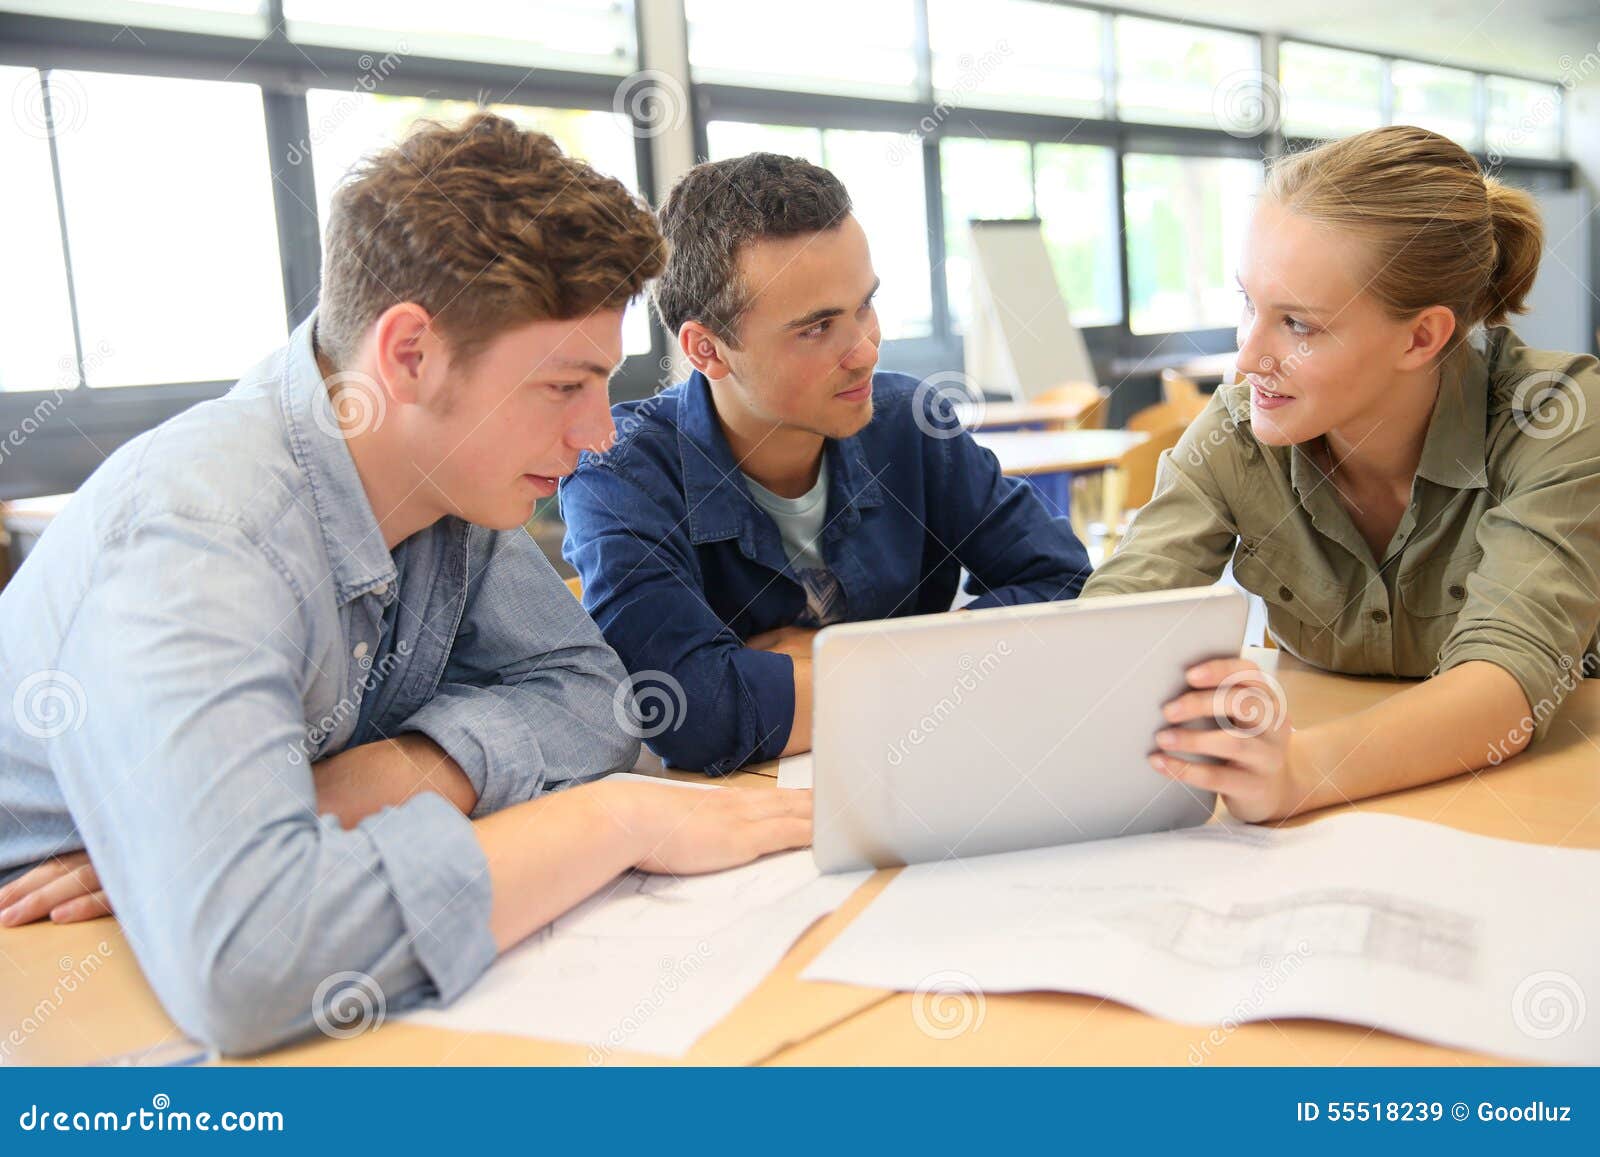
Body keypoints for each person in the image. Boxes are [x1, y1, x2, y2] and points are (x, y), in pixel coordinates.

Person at [0, 114, 810, 1054]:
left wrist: (363, 786)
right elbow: (251, 960)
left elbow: (593, 699)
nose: (599, 435)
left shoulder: (441, 473)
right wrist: (616, 817)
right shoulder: (202, 531)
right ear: (410, 353)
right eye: (563, 387)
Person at [1081, 124, 1600, 823]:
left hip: (1544, 800)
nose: (1247, 359)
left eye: (1297, 323)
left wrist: (1300, 769)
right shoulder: (1238, 433)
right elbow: (1111, 627)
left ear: (1422, 337)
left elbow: (1505, 684)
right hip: (1350, 817)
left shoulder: (1556, 417)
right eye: (1248, 305)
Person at [560, 153, 1091, 774]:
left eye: (864, 305)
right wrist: (944, 667)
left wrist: (835, 655)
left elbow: (1067, 590)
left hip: (933, 775)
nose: (865, 351)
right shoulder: (620, 470)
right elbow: (688, 713)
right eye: (817, 328)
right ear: (708, 349)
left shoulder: (910, 421)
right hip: (742, 833)